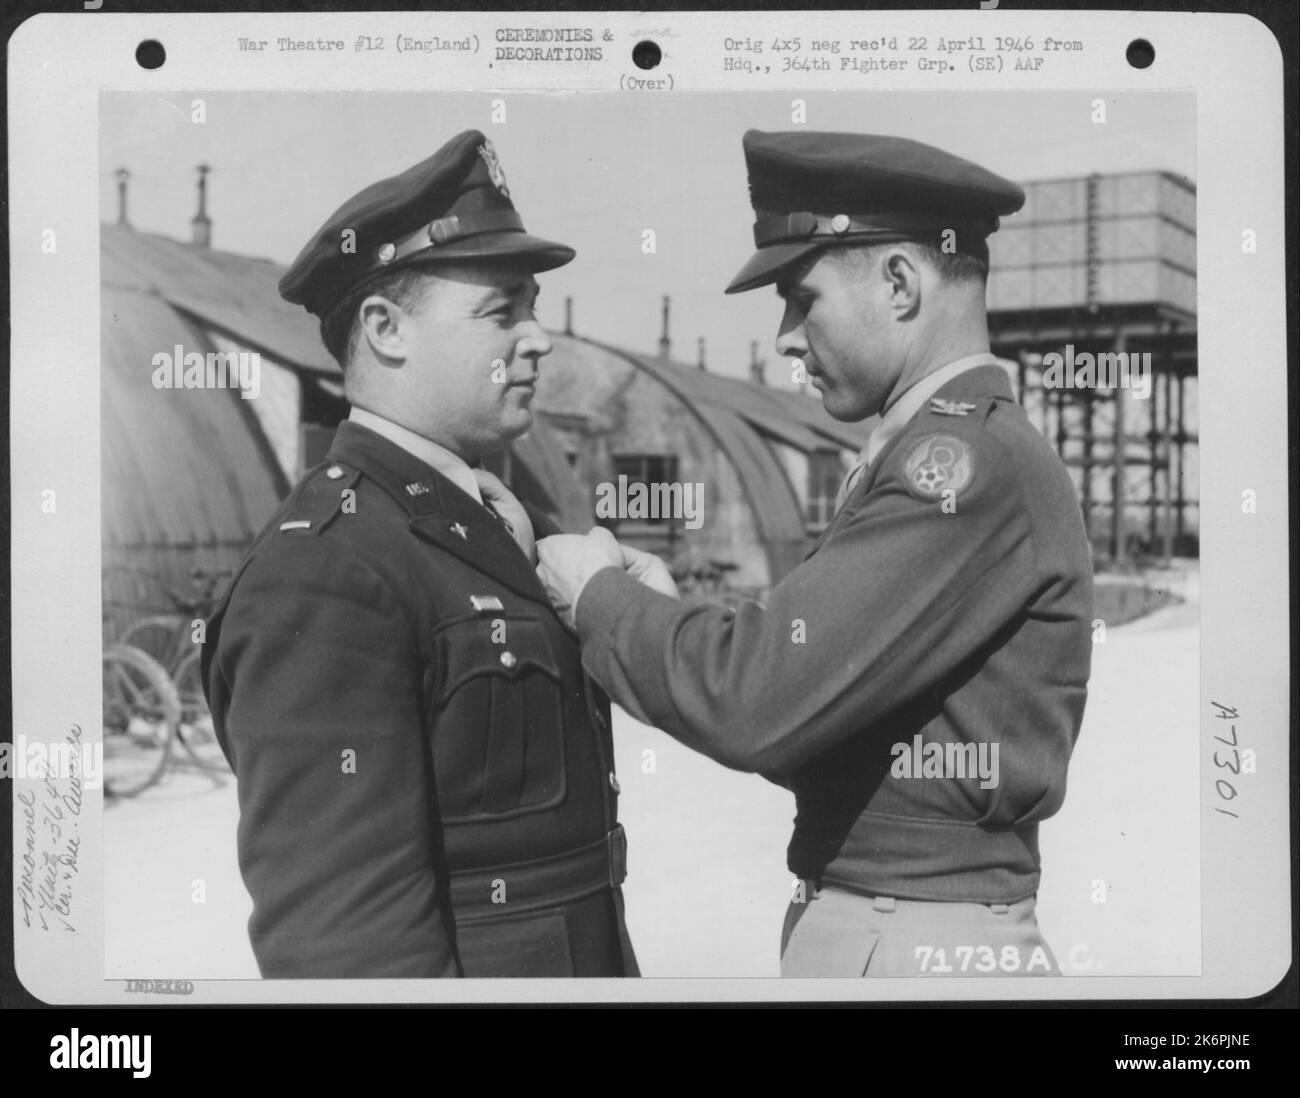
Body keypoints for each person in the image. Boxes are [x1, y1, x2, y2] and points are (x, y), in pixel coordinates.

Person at [537, 130, 1094, 977]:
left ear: (901, 284)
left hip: (910, 937)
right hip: (903, 926)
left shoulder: (962, 468)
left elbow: (759, 699)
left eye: (803, 298)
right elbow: (808, 710)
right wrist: (658, 612)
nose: (787, 339)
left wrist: (597, 599)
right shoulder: (948, 456)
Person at [201, 130, 639, 978]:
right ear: (385, 329)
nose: (540, 338)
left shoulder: (491, 519)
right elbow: (348, 948)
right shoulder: (328, 571)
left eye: (534, 306)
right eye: (502, 311)